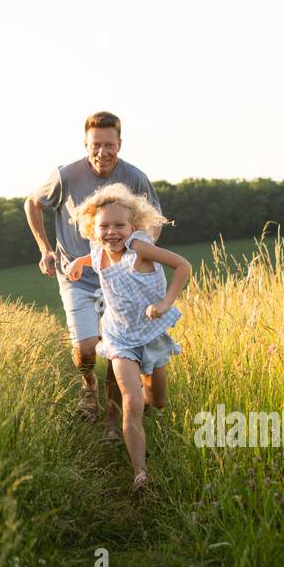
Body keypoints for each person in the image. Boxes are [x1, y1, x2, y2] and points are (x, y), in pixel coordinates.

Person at [24, 111, 164, 421]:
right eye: (95, 145)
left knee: (118, 349)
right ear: (86, 144)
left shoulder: (135, 177)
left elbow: (154, 221)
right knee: (87, 348)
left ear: (120, 144)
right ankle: (89, 386)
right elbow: (32, 203)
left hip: (119, 279)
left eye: (109, 145)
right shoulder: (66, 176)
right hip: (76, 275)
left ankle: (116, 415)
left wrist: (138, 252)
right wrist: (45, 249)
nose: (102, 152)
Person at [66, 183, 190, 491]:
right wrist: (75, 265)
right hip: (120, 338)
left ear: (132, 226)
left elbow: (182, 266)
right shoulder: (97, 253)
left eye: (119, 225)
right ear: (93, 231)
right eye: (104, 226)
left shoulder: (140, 248)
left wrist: (164, 304)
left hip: (151, 334)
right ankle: (141, 474)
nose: (111, 232)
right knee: (131, 401)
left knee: (157, 401)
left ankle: (147, 409)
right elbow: (89, 260)